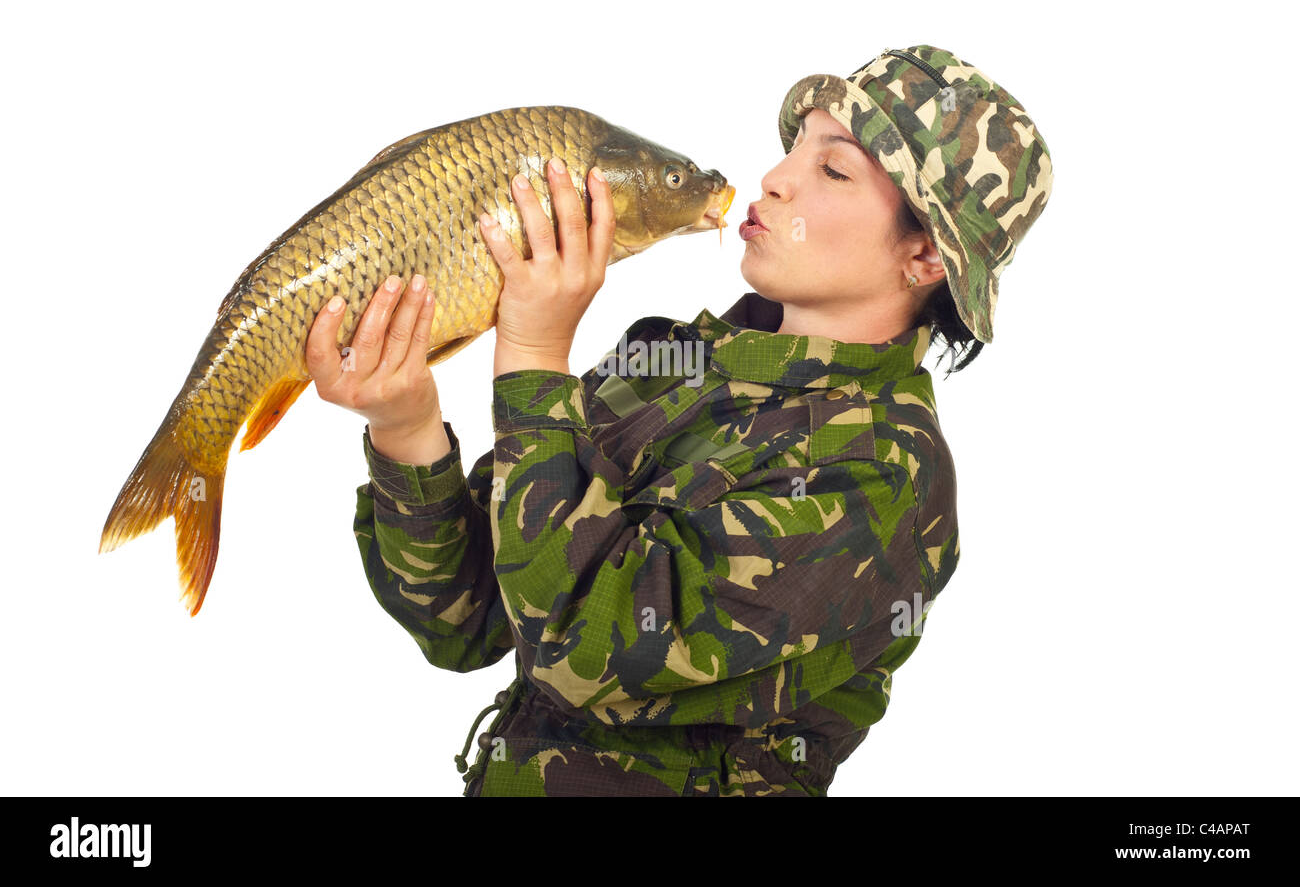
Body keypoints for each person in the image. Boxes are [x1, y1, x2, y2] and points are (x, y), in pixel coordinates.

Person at [305, 45, 1053, 796]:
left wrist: (534, 352)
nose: (775, 179)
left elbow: (575, 652)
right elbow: (466, 623)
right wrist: (407, 430)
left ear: (926, 255)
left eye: (833, 169)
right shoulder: (669, 362)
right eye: (792, 150)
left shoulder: (884, 473)